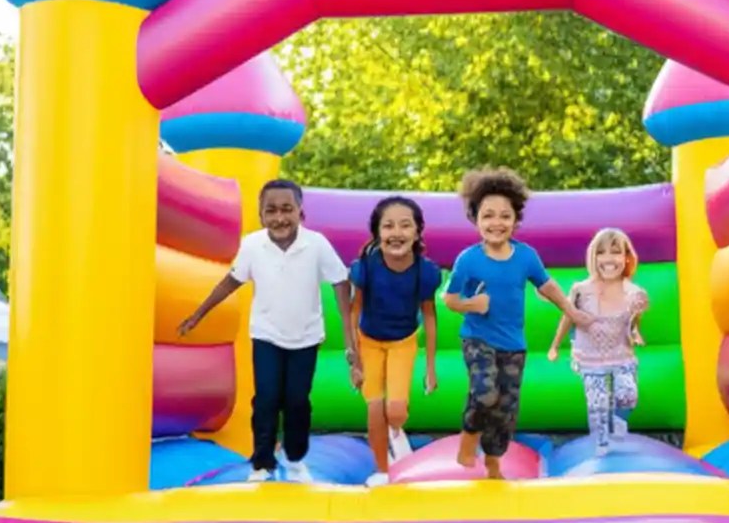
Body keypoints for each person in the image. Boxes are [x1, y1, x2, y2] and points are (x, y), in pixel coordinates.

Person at [178, 179, 358, 483]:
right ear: (261, 215)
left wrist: (349, 337)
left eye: (287, 209)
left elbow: (341, 282)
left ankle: (295, 456)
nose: (279, 218)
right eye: (270, 211)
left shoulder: (316, 244)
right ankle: (262, 462)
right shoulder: (252, 245)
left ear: (301, 212)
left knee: (297, 400)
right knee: (266, 399)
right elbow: (231, 281)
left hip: (306, 336)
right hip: (266, 335)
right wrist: (198, 314)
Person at [442, 167, 594, 479]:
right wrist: (473, 304)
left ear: (515, 220)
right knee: (484, 393)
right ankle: (468, 440)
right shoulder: (468, 259)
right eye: (488, 216)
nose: (496, 223)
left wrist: (572, 311)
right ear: (476, 219)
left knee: (505, 410)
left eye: (504, 216)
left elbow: (547, 286)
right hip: (477, 339)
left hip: (513, 345)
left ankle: (494, 462)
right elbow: (450, 299)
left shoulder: (526, 256)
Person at [349, 196, 442, 487]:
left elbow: (429, 316)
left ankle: (396, 431)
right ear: (378, 233)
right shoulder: (366, 266)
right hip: (369, 341)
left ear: (417, 232)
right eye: (388, 226)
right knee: (374, 408)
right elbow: (354, 311)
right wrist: (354, 357)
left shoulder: (426, 272)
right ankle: (382, 470)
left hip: (403, 341)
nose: (396, 233)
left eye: (405, 225)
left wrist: (430, 368)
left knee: (396, 411)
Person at [547, 228, 650, 456]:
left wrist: (635, 332)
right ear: (593, 257)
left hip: (620, 353)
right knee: (598, 403)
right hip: (590, 357)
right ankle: (601, 443)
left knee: (628, 395)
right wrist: (555, 345)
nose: (608, 259)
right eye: (602, 253)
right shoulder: (581, 290)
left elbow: (634, 319)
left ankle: (617, 422)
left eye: (615, 252)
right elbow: (567, 317)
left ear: (626, 257)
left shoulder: (634, 293)